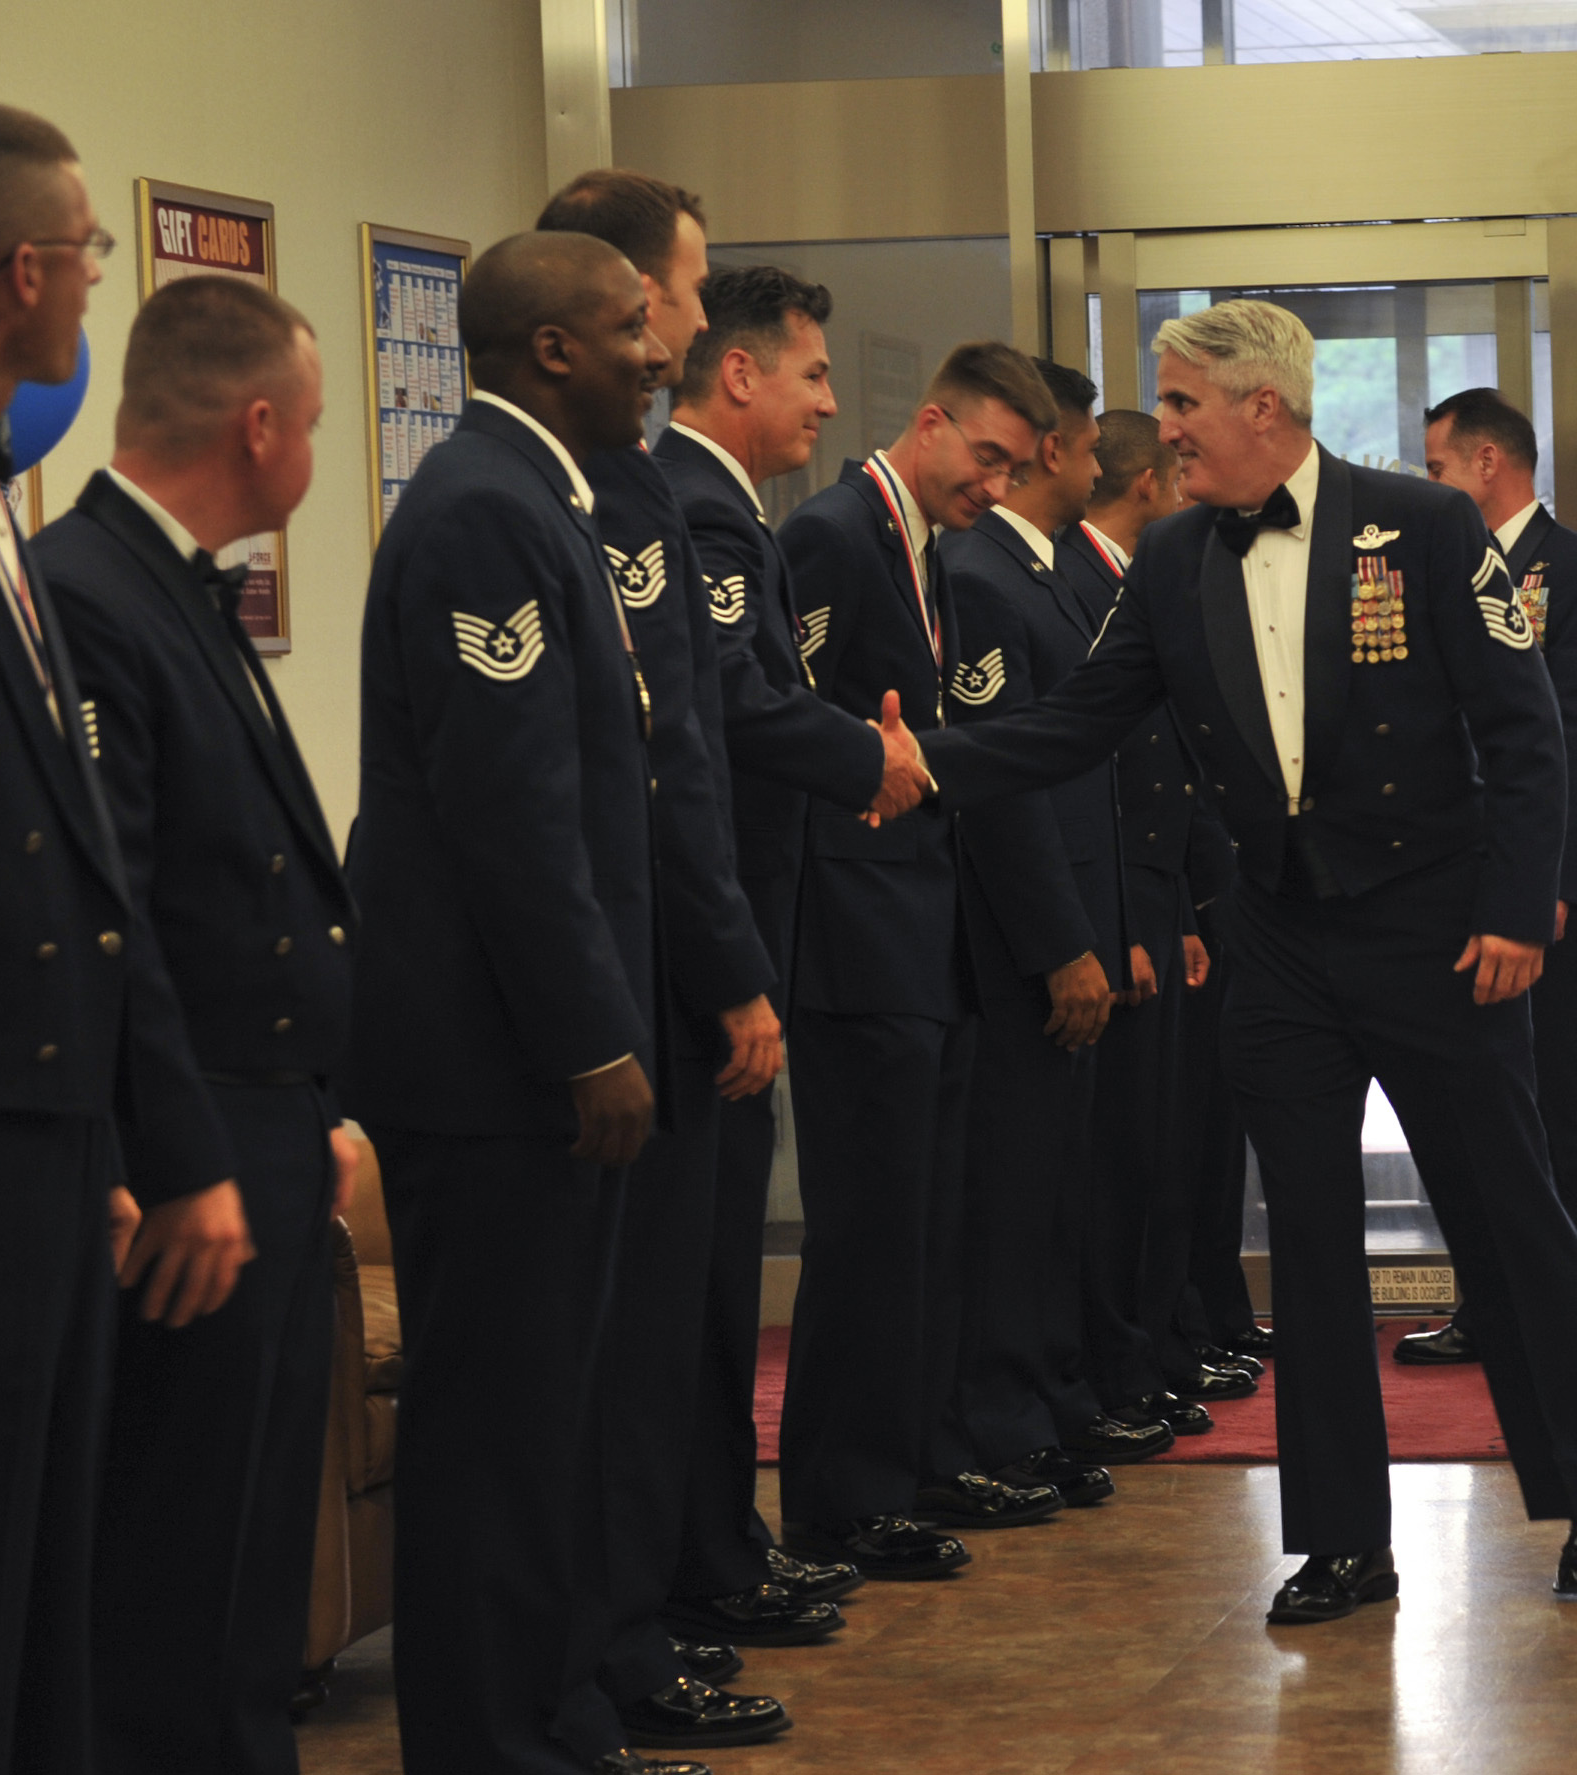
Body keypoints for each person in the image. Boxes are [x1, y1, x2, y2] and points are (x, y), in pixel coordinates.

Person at [901, 299, 1577, 1621]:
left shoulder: (1416, 524)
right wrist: (913, 764)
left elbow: (1524, 729)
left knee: (1503, 1207)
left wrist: (1518, 905)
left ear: (1262, 406)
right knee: (1306, 1240)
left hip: (1433, 933)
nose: (1162, 430)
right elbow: (1077, 719)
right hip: (1281, 943)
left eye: (1181, 403)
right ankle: (1344, 1539)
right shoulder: (1178, 553)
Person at [0, 96, 242, 1775]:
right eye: (87, 250)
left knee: (37, 1618)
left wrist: (137, 1132)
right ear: (21, 270)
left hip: (40, 1158)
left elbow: (73, 878)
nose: (96, 279)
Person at [342, 229, 690, 1775]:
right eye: (631, 326)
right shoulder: (485, 512)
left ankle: (556, 1720)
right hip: (497, 1076)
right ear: (550, 349)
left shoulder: (535, 495)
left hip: (522, 1066)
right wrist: (593, 1037)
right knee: (494, 1437)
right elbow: (512, 816)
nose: (657, 348)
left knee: (547, 1424)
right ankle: (490, 1743)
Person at [32, 275, 357, 1775]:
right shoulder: (90, 590)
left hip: (266, 1117)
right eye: (315, 413)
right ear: (261, 420)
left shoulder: (178, 583)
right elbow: (124, 914)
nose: (318, 445)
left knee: (249, 1538)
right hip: (194, 1132)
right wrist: (177, 1151)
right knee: (179, 1545)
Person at [531, 173, 831, 1745]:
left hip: (671, 957)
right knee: (638, 1343)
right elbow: (666, 766)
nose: (703, 320)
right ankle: (623, 1639)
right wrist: (727, 970)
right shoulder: (607, 501)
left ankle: (644, 1622)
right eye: (689, 289)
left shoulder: (624, 489)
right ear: (622, 303)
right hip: (636, 982)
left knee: (671, 1331)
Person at [772, 341, 1063, 1578]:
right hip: (855, 933)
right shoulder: (836, 534)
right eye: (985, 456)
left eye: (1013, 469)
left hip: (920, 927)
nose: (994, 486)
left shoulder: (923, 546)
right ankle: (844, 1495)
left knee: (929, 1224)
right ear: (932, 421)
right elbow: (783, 715)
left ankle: (917, 1456)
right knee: (871, 1232)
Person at [651, 265, 893, 1619]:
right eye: (809, 372)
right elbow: (729, 719)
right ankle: (704, 1562)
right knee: (698, 1300)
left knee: (719, 1282)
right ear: (738, 373)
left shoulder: (723, 510)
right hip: (708, 948)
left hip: (733, 934)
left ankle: (721, 1549)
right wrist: (873, 754)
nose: (827, 400)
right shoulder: (695, 509)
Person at [1399, 386, 1577, 1365]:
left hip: (1544, 891)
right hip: (1454, 883)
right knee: (1478, 1106)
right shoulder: (1445, 572)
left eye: (1439, 467)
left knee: (1570, 1096)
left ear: (1488, 463)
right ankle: (1493, 1305)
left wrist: (1549, 884)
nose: (1433, 485)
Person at [936, 357, 1141, 1509]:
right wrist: (1062, 938)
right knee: (1013, 1194)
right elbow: (1004, 782)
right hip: (1020, 934)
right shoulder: (978, 576)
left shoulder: (1050, 574)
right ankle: (1006, 1413)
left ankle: (1050, 1396)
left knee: (1057, 1185)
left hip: (1082, 917)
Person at [1056, 409, 1251, 1435]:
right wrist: (1135, 914)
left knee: (1173, 1147)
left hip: (1164, 894)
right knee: (1129, 1157)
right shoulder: (1077, 581)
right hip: (1122, 902)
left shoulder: (1139, 573)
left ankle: (1166, 1337)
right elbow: (1098, 763)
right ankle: (1129, 1354)